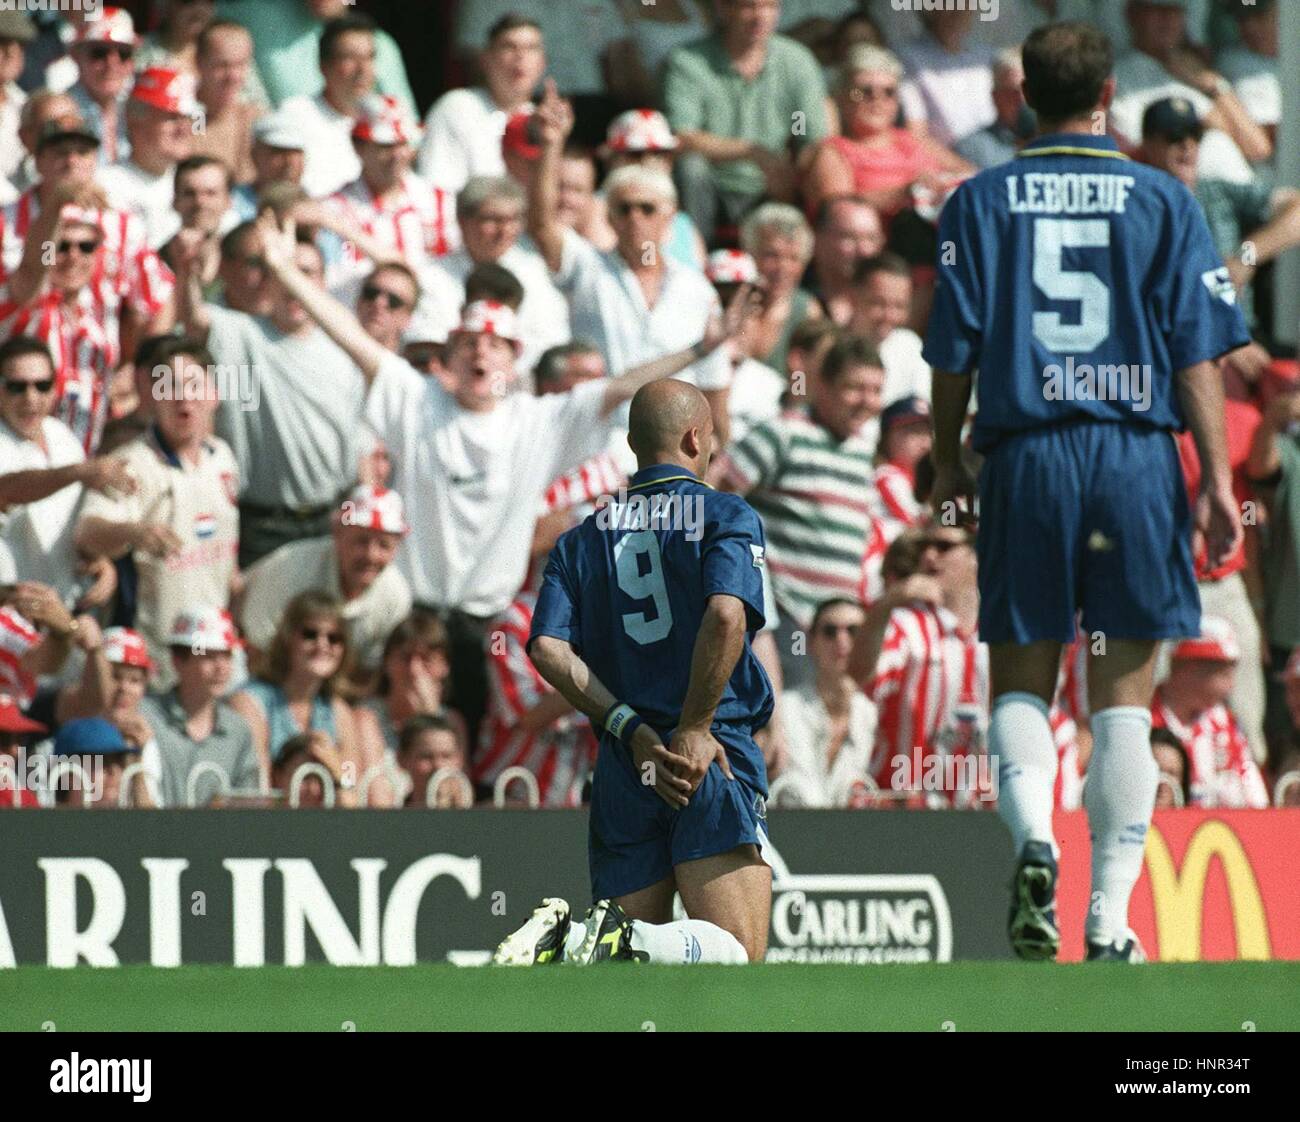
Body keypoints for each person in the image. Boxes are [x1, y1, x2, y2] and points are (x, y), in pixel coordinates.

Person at [925, 21, 1249, 962]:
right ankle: (1109, 918)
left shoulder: (979, 200)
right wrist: (1219, 481)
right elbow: (1197, 356)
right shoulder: (1164, 197)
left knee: (1020, 678)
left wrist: (948, 461)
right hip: (1135, 455)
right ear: (1109, 92)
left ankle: (1034, 842)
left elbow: (952, 353)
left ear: (1024, 93)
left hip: (1025, 451)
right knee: (1123, 700)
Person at [496, 378, 773, 966]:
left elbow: (546, 647)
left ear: (631, 443)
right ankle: (590, 937)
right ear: (697, 437)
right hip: (705, 753)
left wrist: (629, 727)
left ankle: (573, 937)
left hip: (629, 762)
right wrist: (695, 727)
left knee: (620, 978)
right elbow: (725, 613)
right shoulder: (726, 513)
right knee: (740, 957)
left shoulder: (580, 541)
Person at [529, 81, 734, 448]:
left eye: (647, 209)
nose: (635, 218)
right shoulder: (588, 267)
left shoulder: (696, 288)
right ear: (609, 216)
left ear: (668, 216)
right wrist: (551, 144)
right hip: (598, 444)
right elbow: (543, 225)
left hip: (673, 455)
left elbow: (713, 383)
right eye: (624, 209)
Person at [174, 218, 368, 569]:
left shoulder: (347, 347)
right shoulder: (240, 333)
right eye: (285, 273)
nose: (296, 287)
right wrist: (187, 270)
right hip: (259, 525)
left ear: (323, 282)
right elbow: (195, 321)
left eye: (307, 273)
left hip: (330, 521)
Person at [713, 334, 884, 677]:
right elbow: (719, 496)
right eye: (855, 387)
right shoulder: (783, 432)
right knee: (785, 715)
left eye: (876, 390)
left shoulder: (864, 451)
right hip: (785, 617)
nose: (866, 401)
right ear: (822, 385)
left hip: (837, 626)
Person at [75, 336, 240, 685]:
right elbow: (86, 532)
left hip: (216, 652)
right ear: (153, 395)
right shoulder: (131, 463)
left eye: (193, 386)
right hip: (155, 660)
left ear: (214, 394)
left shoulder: (223, 458)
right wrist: (134, 532)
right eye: (170, 386)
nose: (183, 398)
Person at [664, 0, 829, 242]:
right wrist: (752, 152)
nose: (760, 16)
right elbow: (682, 136)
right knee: (691, 167)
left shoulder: (797, 61)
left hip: (773, 185)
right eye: (748, 6)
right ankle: (693, 259)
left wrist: (794, 171)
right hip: (712, 184)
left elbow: (809, 136)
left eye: (770, 6)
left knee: (825, 162)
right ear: (722, 8)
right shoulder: (688, 61)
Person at [0, 336, 129, 609]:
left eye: (42, 385)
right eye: (16, 387)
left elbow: (77, 521)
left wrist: (102, 563)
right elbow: (8, 489)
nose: (30, 398)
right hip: (12, 611)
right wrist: (79, 472)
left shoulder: (62, 436)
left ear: (55, 389)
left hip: (67, 605)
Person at [239, 485, 412, 680]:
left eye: (384, 545)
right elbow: (255, 649)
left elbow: (367, 673)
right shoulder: (291, 567)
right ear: (338, 533)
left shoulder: (396, 594)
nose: (371, 555)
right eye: (361, 541)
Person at [229, 589, 384, 791]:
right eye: (310, 634)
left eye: (334, 638)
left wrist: (336, 767)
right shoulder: (251, 702)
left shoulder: (338, 712)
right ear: (287, 638)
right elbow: (257, 790)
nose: (322, 644)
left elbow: (351, 785)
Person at [1107, 0, 1270, 183]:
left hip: (1240, 195)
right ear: (1133, 14)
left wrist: (1215, 84)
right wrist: (1209, 123)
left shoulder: (1193, 70)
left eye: (1175, 10)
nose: (1167, 18)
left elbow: (1258, 148)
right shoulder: (1121, 77)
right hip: (1184, 195)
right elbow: (1145, 147)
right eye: (1158, 9)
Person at [804, 45, 972, 221]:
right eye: (865, 92)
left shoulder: (914, 141)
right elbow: (837, 211)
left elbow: (971, 174)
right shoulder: (832, 152)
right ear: (842, 96)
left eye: (889, 92)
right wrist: (904, 193)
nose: (877, 99)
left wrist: (943, 184)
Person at [475, 587, 598, 807]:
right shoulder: (510, 624)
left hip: (570, 803)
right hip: (504, 797)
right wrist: (595, 676)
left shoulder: (610, 622)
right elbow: (528, 716)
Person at [138, 607, 259, 806]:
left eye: (227, 655)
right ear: (177, 661)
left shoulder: (239, 730)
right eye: (209, 656)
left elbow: (247, 804)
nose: (221, 668)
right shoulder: (145, 716)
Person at [417, 14, 544, 195]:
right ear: (486, 59)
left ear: (542, 63)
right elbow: (435, 191)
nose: (520, 56)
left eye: (531, 48)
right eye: (509, 46)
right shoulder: (457, 106)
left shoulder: (543, 122)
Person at [1150, 620, 1268, 809]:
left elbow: (1255, 798)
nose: (1231, 686)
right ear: (1187, 667)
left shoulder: (1225, 723)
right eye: (1223, 673)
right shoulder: (1143, 720)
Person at [778, 597, 875, 807]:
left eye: (853, 631)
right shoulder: (783, 709)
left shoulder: (873, 715)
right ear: (811, 643)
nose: (841, 640)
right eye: (830, 631)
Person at [277, 14, 381, 199]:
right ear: (323, 66)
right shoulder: (295, 114)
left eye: (369, 57)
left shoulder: (385, 115)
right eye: (350, 58)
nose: (363, 69)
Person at [97, 68, 201, 250]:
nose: (184, 128)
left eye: (188, 118)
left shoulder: (198, 183)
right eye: (172, 118)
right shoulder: (105, 185)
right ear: (135, 121)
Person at [736, 203, 821, 375]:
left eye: (794, 258)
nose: (783, 268)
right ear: (750, 252)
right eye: (771, 255)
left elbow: (801, 377)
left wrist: (794, 400)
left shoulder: (806, 312)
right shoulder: (730, 302)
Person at [849, 252, 931, 406]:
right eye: (879, 303)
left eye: (899, 306)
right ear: (854, 298)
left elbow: (922, 410)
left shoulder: (911, 347)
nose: (889, 316)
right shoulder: (828, 345)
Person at [191, 20, 265, 187]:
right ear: (198, 62)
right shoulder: (194, 116)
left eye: (240, 65)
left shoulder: (255, 119)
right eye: (222, 65)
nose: (232, 76)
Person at [65, 7, 136, 166]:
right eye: (99, 53)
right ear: (77, 56)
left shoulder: (136, 110)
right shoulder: (62, 110)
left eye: (123, 54)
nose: (112, 64)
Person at [806, 195, 885, 326]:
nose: (864, 250)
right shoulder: (793, 302)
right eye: (850, 237)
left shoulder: (889, 312)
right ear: (818, 240)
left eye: (872, 238)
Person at [954, 47, 1037, 170]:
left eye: (1029, 91)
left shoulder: (1059, 141)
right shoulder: (972, 149)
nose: (1022, 99)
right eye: (1013, 92)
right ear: (995, 97)